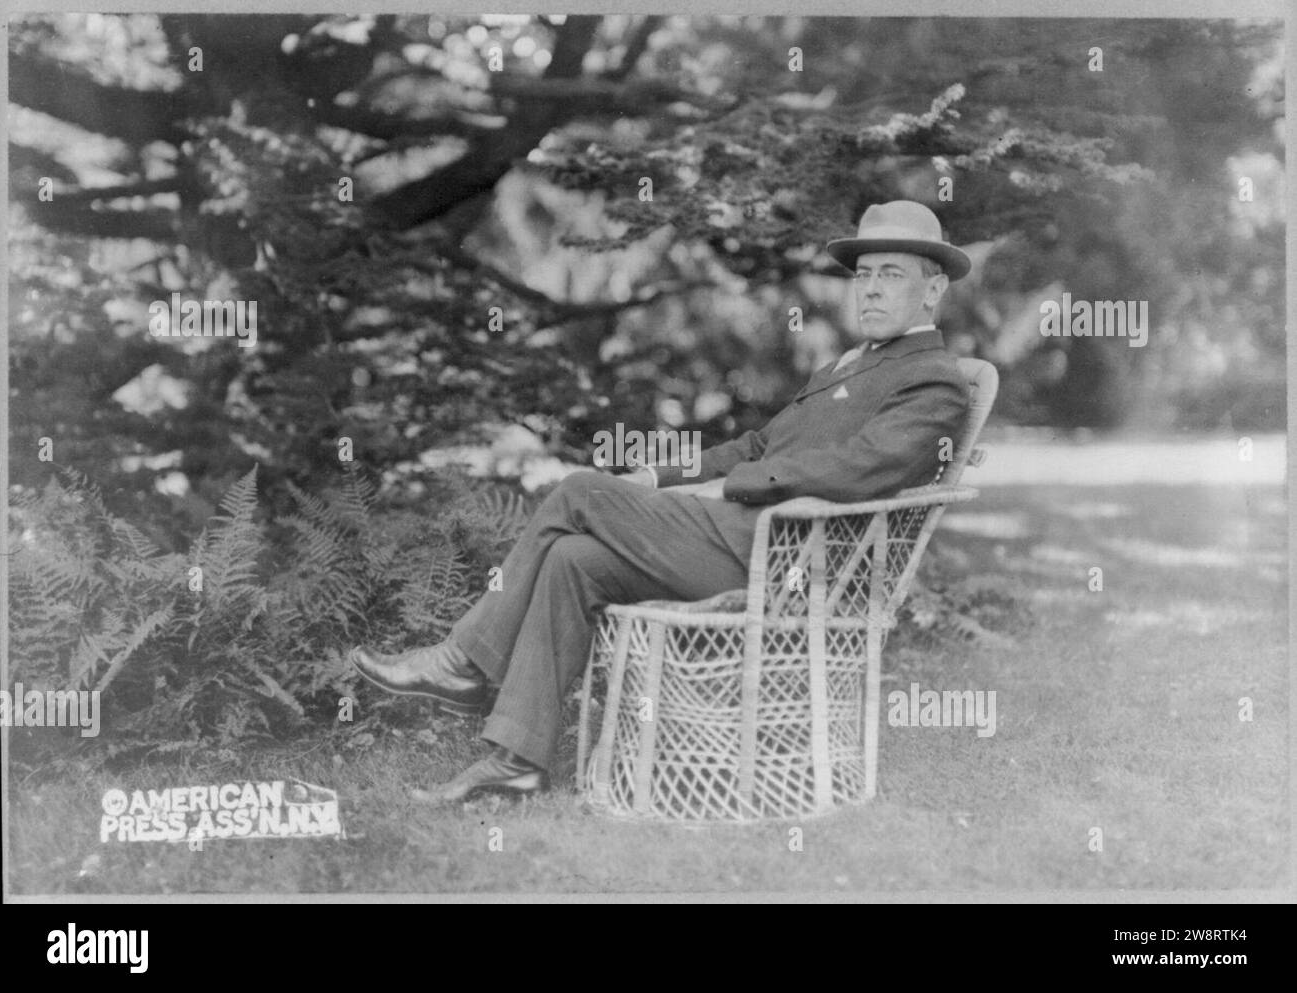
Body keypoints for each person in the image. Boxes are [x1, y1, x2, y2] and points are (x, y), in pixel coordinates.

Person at [350, 199, 972, 804]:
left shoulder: (934, 379)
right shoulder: (846, 367)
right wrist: (661, 477)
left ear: (933, 290)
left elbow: (858, 469)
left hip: (790, 565)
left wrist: (732, 487)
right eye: (864, 275)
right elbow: (756, 444)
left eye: (892, 275)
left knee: (577, 491)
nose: (870, 290)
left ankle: (462, 660)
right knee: (572, 559)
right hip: (738, 540)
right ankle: (516, 760)